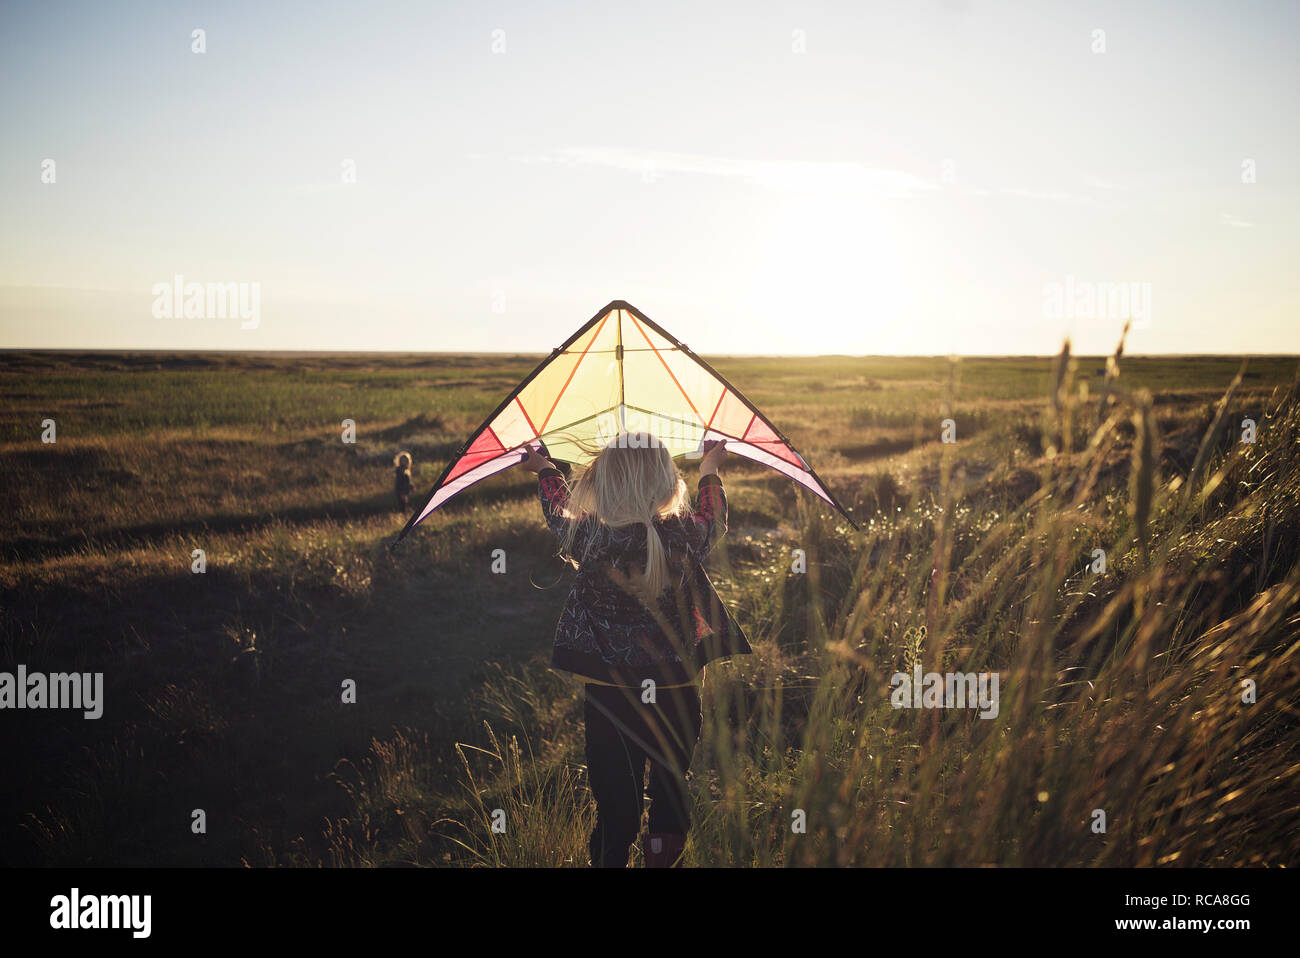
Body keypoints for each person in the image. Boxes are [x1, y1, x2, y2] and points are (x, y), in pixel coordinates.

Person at [522, 433, 751, 867]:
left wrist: (546, 471)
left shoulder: (589, 537)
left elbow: (558, 512)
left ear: (604, 484)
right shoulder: (685, 535)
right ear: (667, 484)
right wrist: (709, 470)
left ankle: (611, 857)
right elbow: (714, 518)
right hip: (677, 691)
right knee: (671, 786)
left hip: (610, 697)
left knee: (616, 802)